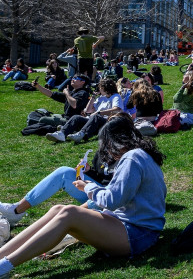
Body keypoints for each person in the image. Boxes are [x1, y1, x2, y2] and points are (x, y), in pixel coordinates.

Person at [0, 115, 166, 277]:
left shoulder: (133, 157)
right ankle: (2, 255)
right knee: (58, 209)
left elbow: (112, 201)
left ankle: (4, 266)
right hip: (131, 227)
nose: (108, 150)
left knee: (69, 213)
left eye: (107, 144)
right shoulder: (140, 155)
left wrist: (89, 187)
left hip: (138, 235)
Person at [46, 78, 132, 143]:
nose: (99, 89)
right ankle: (62, 134)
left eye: (100, 87)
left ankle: (81, 134)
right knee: (76, 117)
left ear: (104, 87)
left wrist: (99, 113)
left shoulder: (115, 96)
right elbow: (87, 110)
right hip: (94, 120)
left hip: (108, 122)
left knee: (96, 116)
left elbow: (117, 109)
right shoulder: (101, 98)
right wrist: (93, 97)